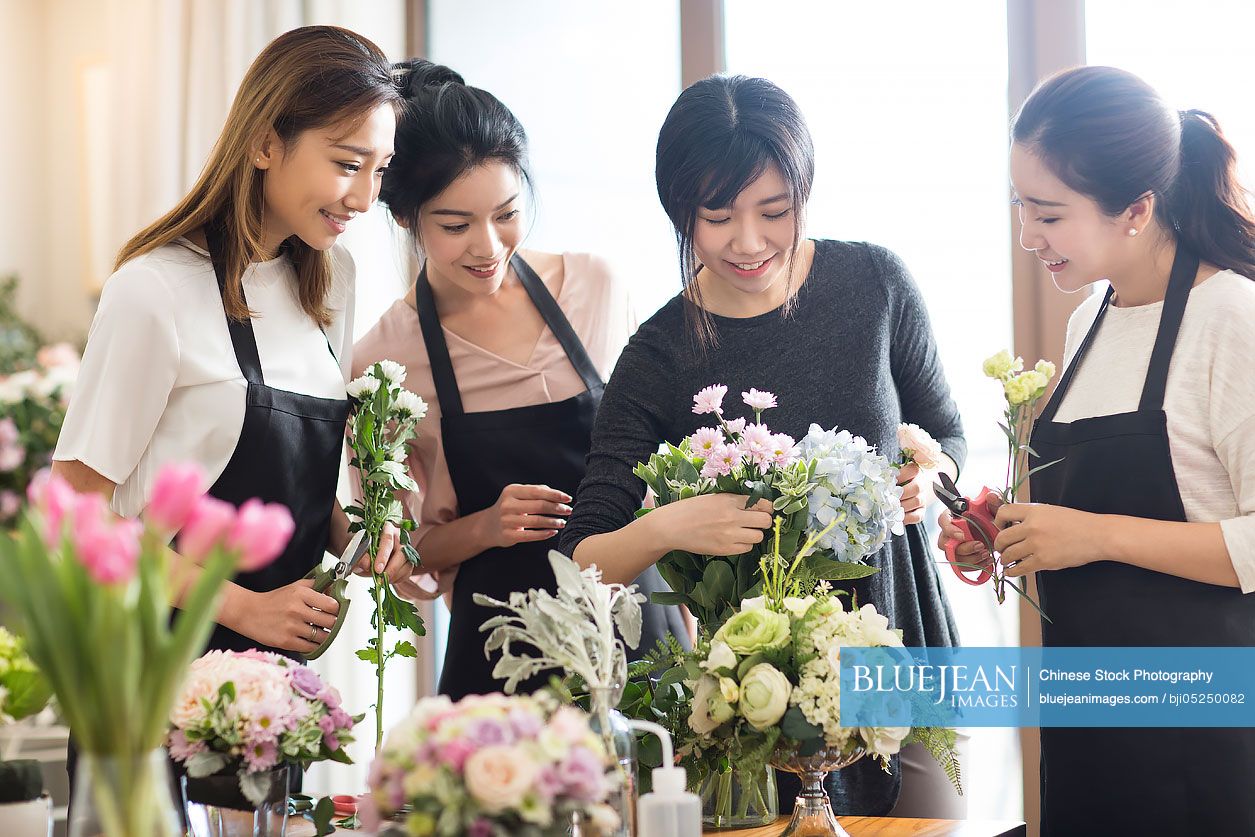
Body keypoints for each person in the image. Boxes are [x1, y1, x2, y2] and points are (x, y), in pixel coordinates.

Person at [559, 74, 967, 818]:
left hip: (903, 657)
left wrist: (929, 470)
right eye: (717, 218)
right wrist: (667, 526)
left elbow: (945, 430)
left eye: (774, 212)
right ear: (680, 212)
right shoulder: (657, 353)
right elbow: (581, 560)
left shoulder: (873, 283)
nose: (748, 243)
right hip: (761, 705)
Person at [941, 66, 1255, 836]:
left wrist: (1090, 534)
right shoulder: (1091, 320)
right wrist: (1006, 531)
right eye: (1019, 204)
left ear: (1136, 210)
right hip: (1092, 726)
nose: (1026, 234)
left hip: (1208, 737)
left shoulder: (1231, 320)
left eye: (1047, 213)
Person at [52, 26, 413, 660]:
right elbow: (76, 514)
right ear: (265, 142)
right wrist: (246, 607)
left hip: (277, 677)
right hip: (152, 669)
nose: (363, 197)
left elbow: (287, 478)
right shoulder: (154, 289)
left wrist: (356, 534)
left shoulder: (331, 280)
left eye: (378, 171)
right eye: (346, 164)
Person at [354, 60, 688, 701]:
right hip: (502, 657)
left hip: (639, 628)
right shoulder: (386, 360)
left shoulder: (595, 287)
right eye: (455, 226)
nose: (487, 246)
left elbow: (665, 473)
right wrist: (486, 527)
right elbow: (395, 555)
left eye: (506, 214)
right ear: (404, 219)